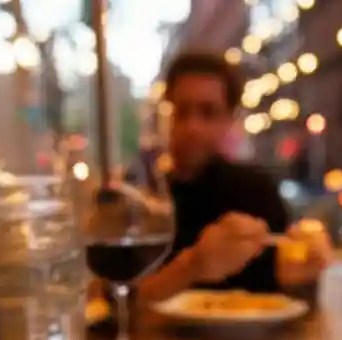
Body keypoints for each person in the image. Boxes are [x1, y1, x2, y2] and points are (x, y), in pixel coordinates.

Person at [138, 51, 332, 304]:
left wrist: (307, 270)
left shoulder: (255, 191)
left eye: (207, 112)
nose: (192, 126)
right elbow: (119, 303)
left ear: (229, 119)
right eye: (182, 111)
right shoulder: (144, 200)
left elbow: (291, 294)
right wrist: (193, 265)